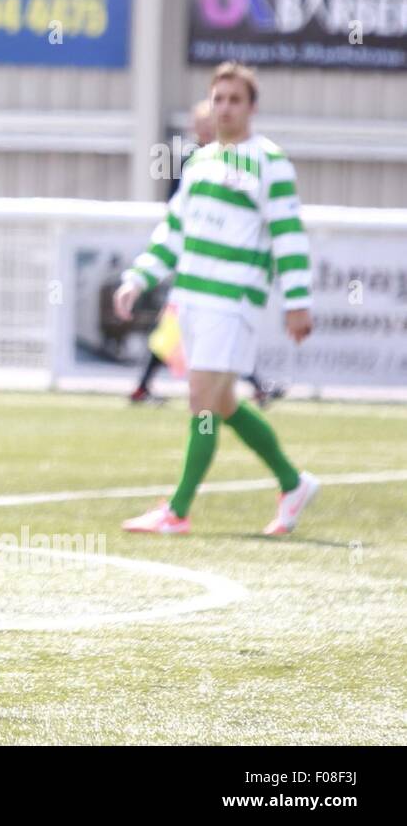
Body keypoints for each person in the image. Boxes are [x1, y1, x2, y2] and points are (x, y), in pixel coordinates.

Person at [113, 62, 318, 536]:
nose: (225, 107)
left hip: (234, 301)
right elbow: (174, 231)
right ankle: (293, 483)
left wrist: (297, 301)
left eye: (235, 100)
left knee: (201, 399)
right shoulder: (201, 161)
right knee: (222, 403)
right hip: (193, 299)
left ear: (252, 108)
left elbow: (289, 234)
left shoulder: (269, 161)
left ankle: (178, 511)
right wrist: (138, 278)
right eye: (218, 98)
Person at [130, 99, 283, 407]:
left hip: (215, 264)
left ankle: (145, 387)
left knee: (209, 332)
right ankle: (255, 386)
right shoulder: (192, 159)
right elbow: (178, 211)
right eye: (204, 123)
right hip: (196, 261)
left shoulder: (232, 159)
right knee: (199, 331)